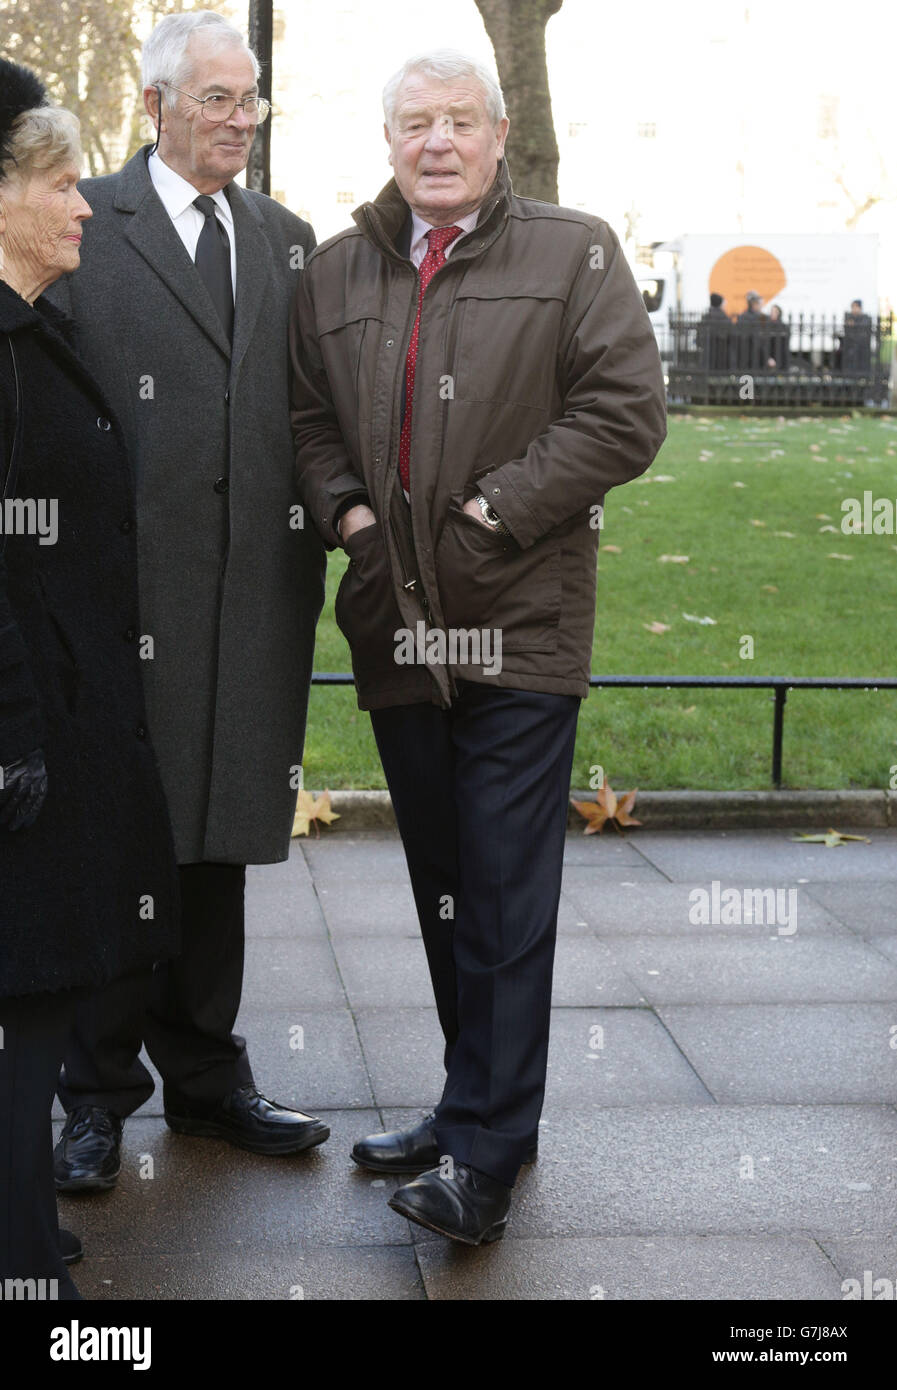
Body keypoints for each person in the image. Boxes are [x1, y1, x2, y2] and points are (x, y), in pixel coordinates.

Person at [289, 48, 666, 1245]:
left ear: (501, 135)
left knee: (506, 895)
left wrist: (496, 511)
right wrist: (350, 516)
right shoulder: (341, 266)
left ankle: (487, 1156)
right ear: (388, 139)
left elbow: (625, 412)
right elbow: (306, 421)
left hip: (516, 625)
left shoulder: (576, 251)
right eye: (415, 122)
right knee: (449, 891)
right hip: (398, 626)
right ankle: (473, 1106)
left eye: (460, 121)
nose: (436, 141)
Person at [46, 10, 328, 1193]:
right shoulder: (79, 224)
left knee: (218, 840)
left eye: (250, 99)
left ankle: (208, 1081)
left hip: (252, 591)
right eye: (217, 98)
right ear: (155, 106)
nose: (240, 121)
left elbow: (309, 408)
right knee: (120, 837)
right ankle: (95, 1093)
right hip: (119, 594)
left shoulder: (287, 237)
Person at [0, 60, 179, 1299]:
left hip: (66, 721)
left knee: (46, 996)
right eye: (63, 185)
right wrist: (16, 737)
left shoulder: (34, 330)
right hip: (29, 741)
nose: (84, 208)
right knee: (26, 1007)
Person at [735, 289, 768, 371]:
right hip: (754, 353)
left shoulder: (742, 316)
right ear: (754, 304)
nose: (761, 306)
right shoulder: (761, 317)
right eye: (759, 303)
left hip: (746, 354)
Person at [839, 298, 872, 375]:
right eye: (853, 307)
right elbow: (847, 330)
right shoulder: (849, 317)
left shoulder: (865, 318)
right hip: (850, 347)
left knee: (862, 365)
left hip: (862, 348)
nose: (854, 309)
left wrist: (854, 326)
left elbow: (864, 331)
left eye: (856, 306)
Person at [699, 291, 731, 370]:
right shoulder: (724, 317)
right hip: (722, 354)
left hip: (707, 353)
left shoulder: (706, 316)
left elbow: (700, 337)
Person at [766, 303, 790, 370]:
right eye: (771, 311)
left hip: (782, 359)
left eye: (775, 312)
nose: (772, 313)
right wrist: (768, 357)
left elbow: (785, 346)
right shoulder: (766, 327)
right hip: (769, 359)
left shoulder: (784, 327)